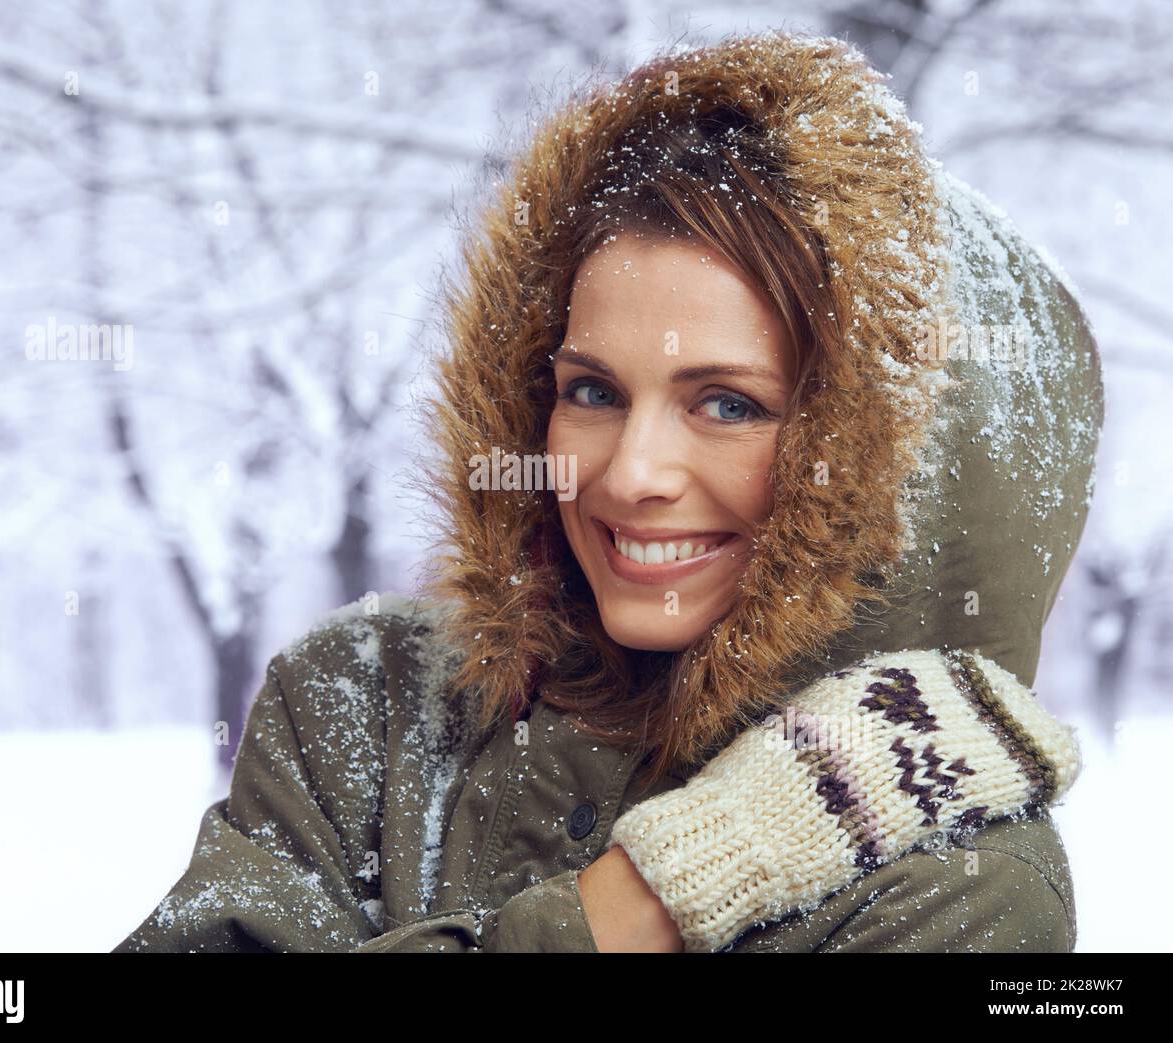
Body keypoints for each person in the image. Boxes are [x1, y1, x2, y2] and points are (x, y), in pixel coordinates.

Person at [113, 30, 1103, 953]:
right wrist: (637, 901)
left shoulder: (959, 883)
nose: (628, 473)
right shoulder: (362, 697)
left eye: (726, 404)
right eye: (590, 390)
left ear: (893, 467)